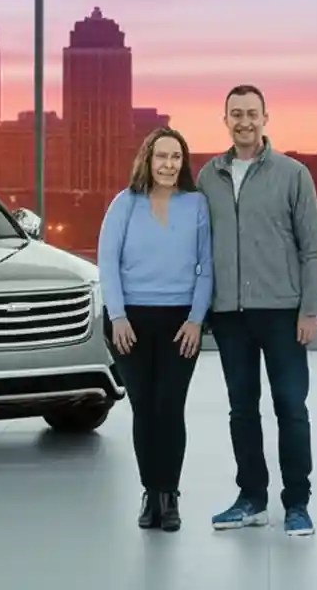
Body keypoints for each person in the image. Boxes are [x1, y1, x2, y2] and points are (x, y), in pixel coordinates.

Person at [196, 84, 317, 537]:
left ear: (266, 118)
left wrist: (309, 311)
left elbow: (313, 251)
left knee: (291, 407)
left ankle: (297, 505)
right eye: (236, 114)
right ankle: (251, 499)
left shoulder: (293, 175)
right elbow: (201, 246)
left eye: (252, 113)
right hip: (230, 316)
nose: (244, 121)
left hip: (283, 313)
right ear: (225, 119)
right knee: (241, 409)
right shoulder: (207, 177)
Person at [97, 126, 213, 533]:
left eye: (176, 157)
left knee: (170, 407)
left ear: (183, 163)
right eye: (161, 156)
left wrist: (196, 321)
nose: (168, 164)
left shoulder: (196, 205)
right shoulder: (123, 204)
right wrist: (118, 316)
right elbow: (107, 263)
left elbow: (207, 268)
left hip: (180, 323)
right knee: (144, 409)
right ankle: (150, 493)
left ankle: (170, 496)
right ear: (147, 159)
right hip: (129, 323)